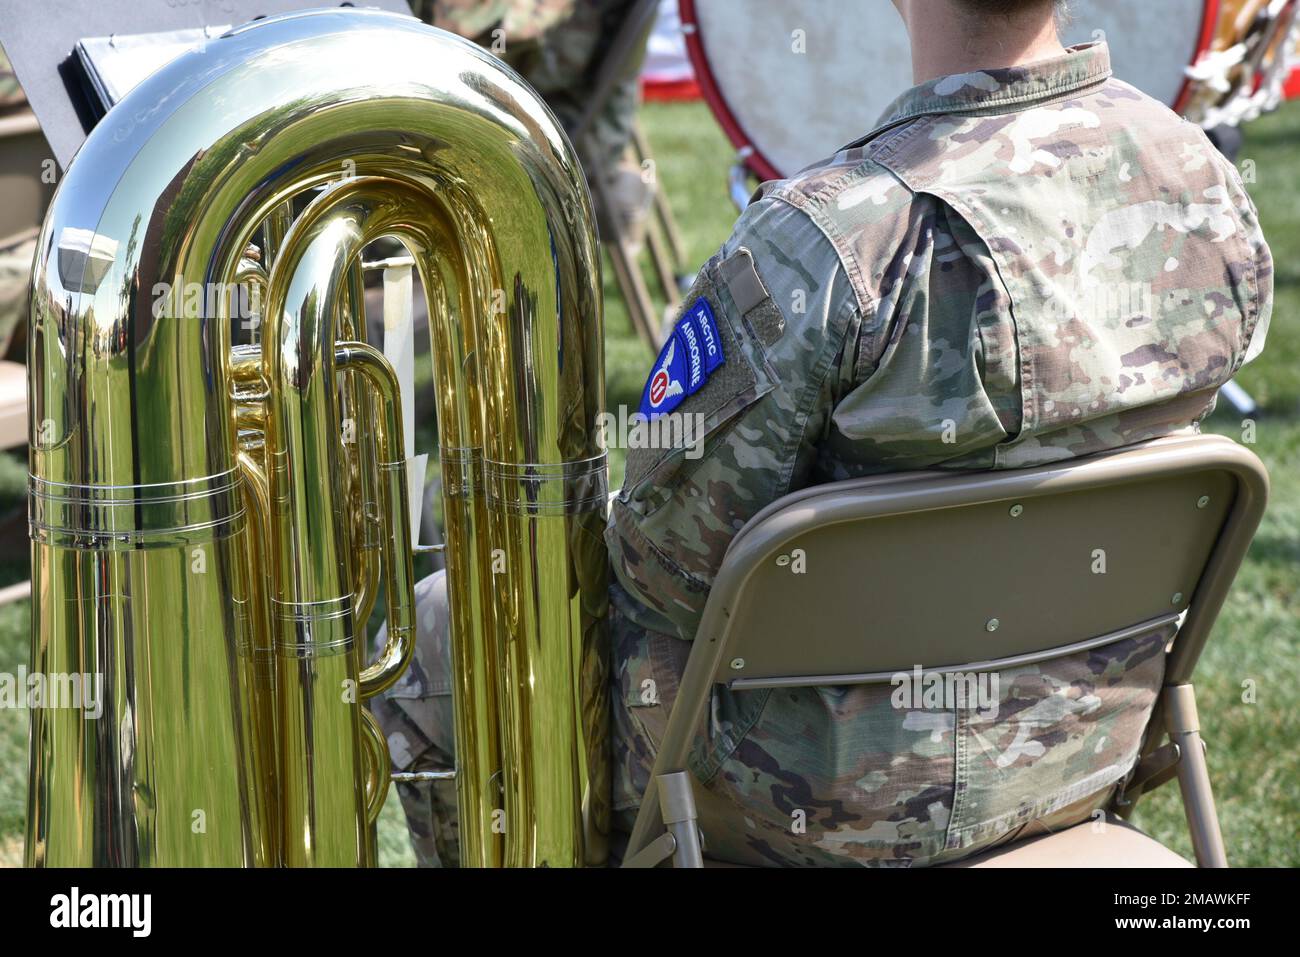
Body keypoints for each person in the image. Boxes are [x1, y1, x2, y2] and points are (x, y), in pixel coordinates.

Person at [377, 0, 1272, 866]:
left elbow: (660, 562)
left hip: (810, 802)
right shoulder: (1202, 180)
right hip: (1083, 749)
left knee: (449, 628)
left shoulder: (827, 241)